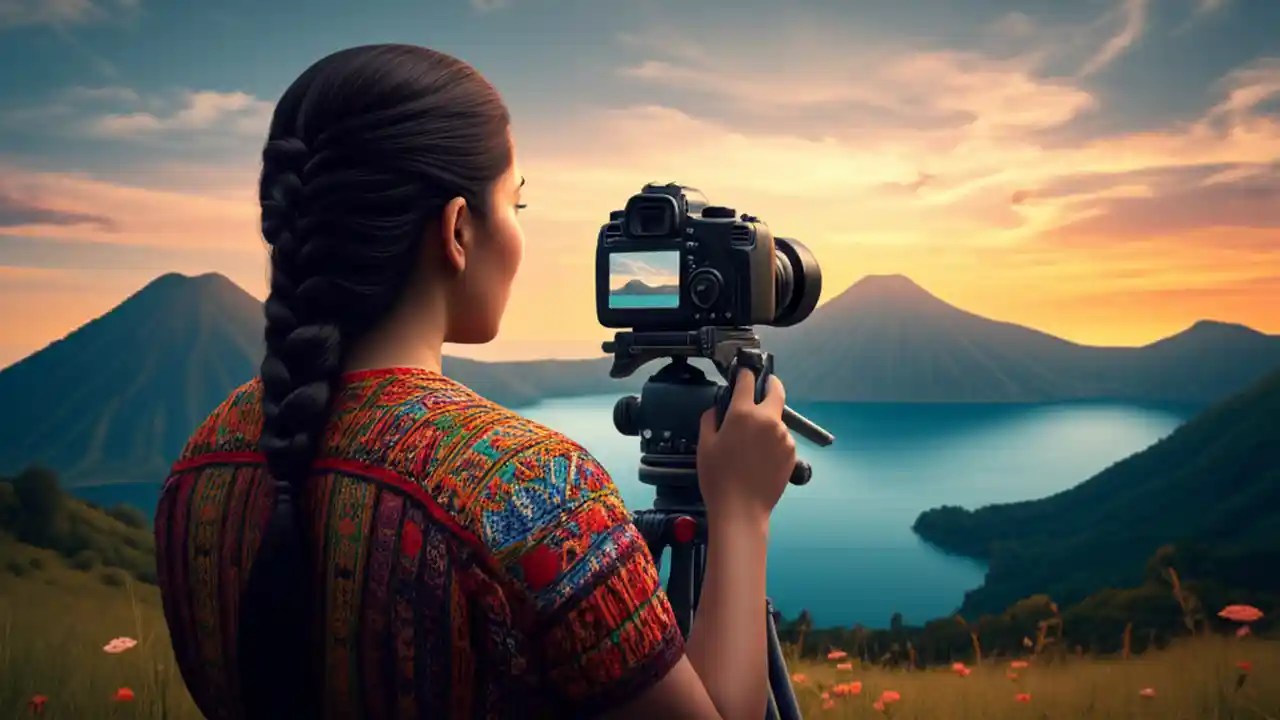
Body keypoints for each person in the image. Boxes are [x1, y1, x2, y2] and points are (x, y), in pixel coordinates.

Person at [153, 43, 796, 720]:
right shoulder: (533, 490)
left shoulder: (204, 462)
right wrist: (742, 513)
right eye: (516, 204)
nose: (519, 235)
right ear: (458, 229)